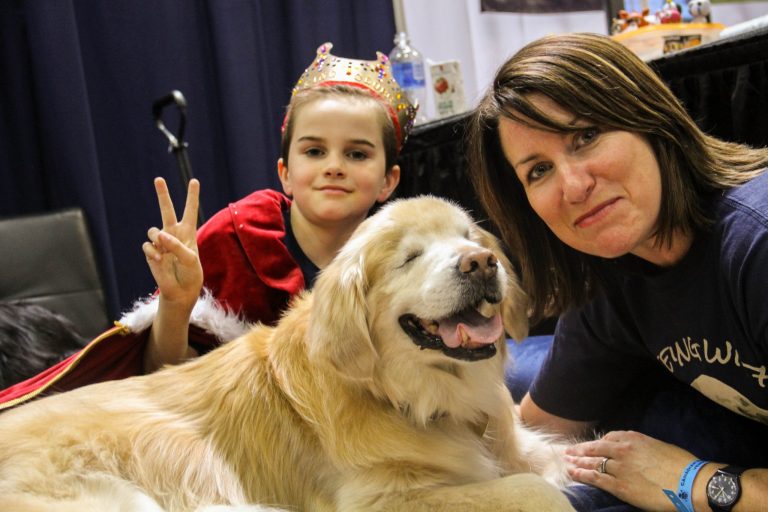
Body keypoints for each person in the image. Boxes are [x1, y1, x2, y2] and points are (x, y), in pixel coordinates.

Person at [0, 42, 415, 406]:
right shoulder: (238, 237)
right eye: (315, 151)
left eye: (357, 154)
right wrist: (176, 303)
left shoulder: (405, 259)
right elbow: (163, 377)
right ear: (285, 173)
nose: (334, 167)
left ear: (388, 180)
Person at [468, 33, 768, 511]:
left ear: (648, 117)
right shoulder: (613, 274)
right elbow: (531, 430)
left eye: (586, 136)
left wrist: (693, 481)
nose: (573, 186)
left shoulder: (757, 243)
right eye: (538, 170)